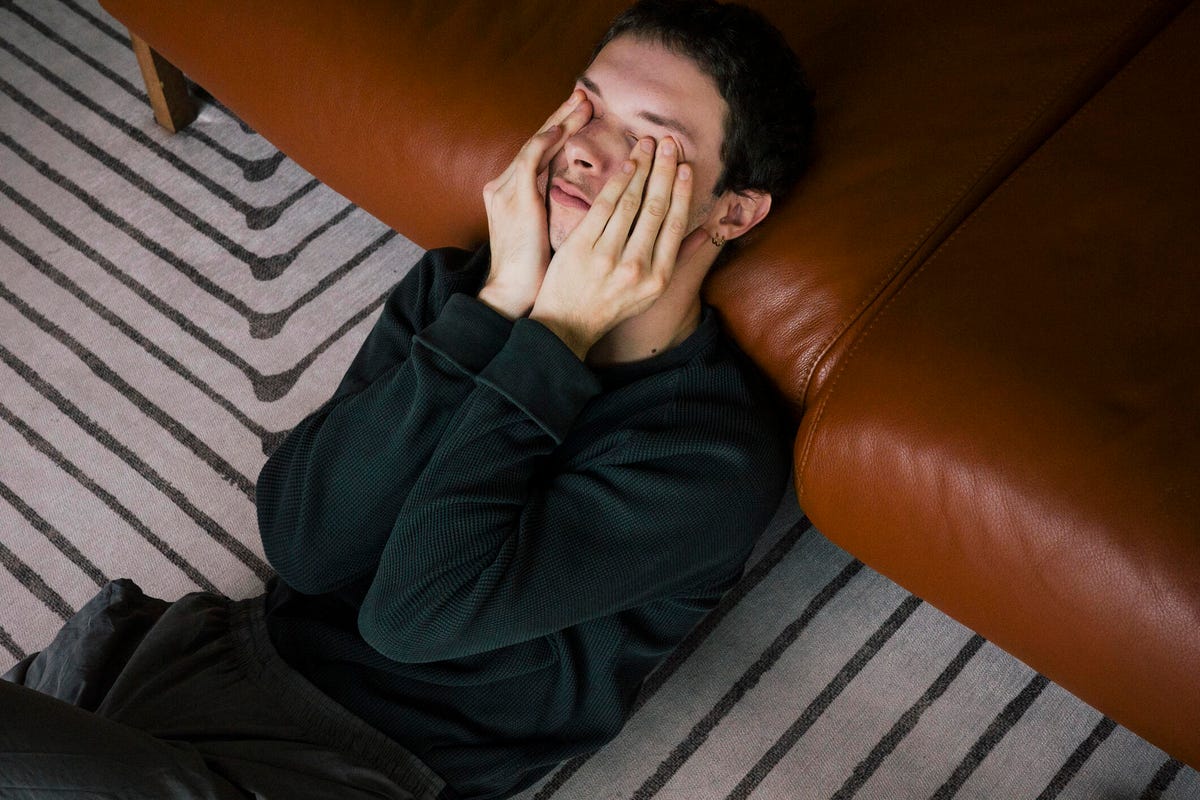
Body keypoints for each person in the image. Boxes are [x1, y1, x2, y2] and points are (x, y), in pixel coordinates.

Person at [0, 1, 814, 798]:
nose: (582, 151)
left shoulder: (708, 455)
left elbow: (415, 615)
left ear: (731, 210)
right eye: (585, 107)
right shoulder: (470, 290)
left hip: (357, 765)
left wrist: (556, 336)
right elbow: (302, 543)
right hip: (186, 667)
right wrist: (497, 311)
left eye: (646, 139)